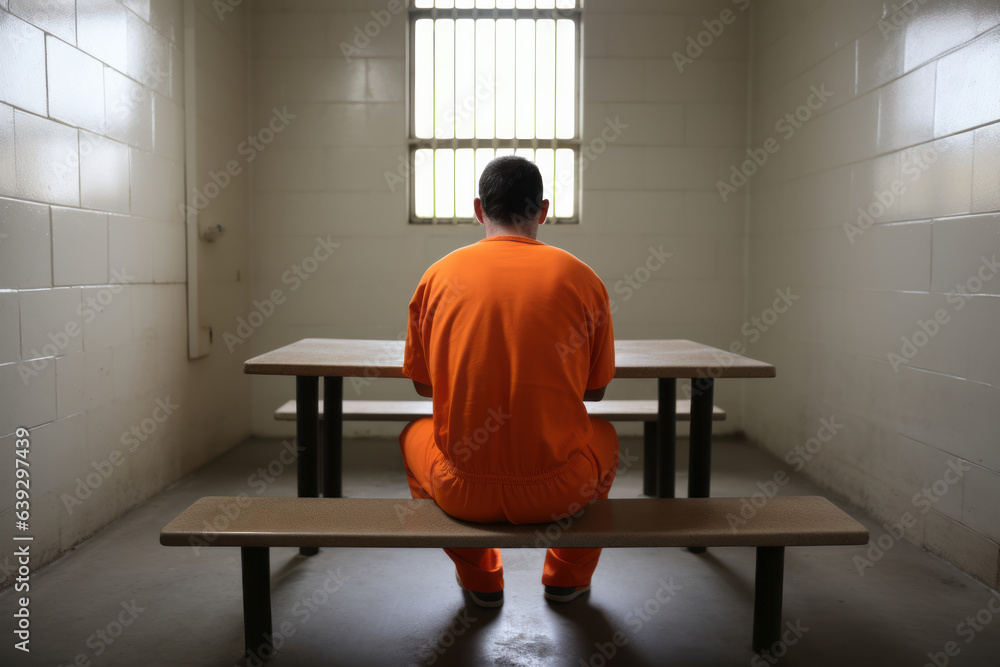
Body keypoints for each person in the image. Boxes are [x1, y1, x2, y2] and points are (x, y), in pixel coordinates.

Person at [399, 155, 619, 608]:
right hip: (559, 492)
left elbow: (425, 387)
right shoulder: (583, 279)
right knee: (607, 436)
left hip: (462, 490)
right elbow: (594, 391)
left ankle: (481, 580)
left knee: (412, 434)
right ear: (543, 209)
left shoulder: (437, 278)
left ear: (479, 209)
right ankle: (566, 576)